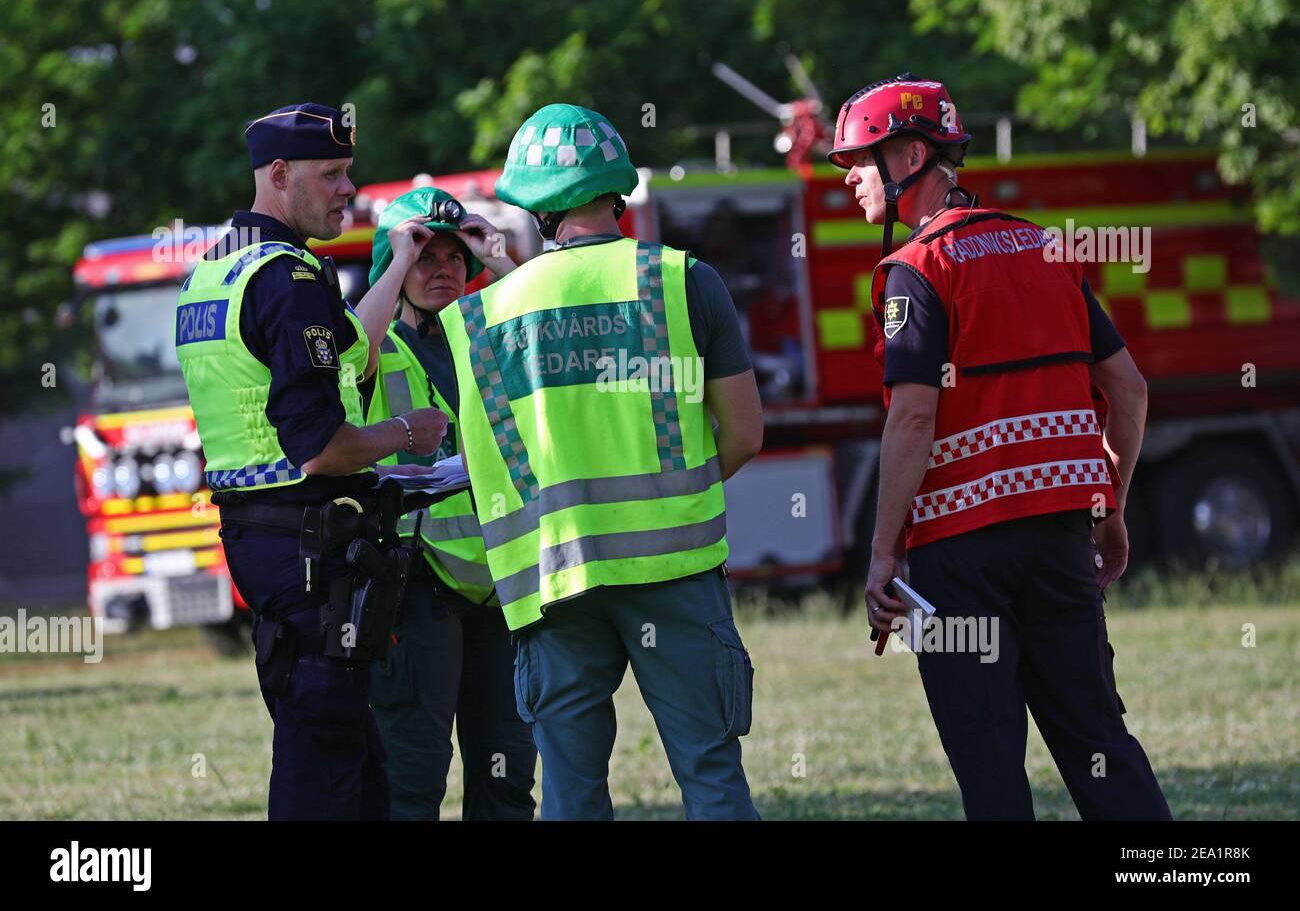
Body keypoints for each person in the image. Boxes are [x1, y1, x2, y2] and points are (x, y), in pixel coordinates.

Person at [829, 73, 1172, 820]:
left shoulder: (916, 271)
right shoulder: (1048, 249)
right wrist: (1109, 507)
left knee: (991, 772)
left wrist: (883, 553)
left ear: (911, 156)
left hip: (960, 559)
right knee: (1099, 746)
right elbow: (1132, 390)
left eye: (859, 161)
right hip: (1057, 542)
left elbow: (913, 421)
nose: (850, 179)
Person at [439, 104, 765, 820]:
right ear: (616, 191)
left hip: (555, 579)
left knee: (571, 788)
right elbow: (743, 433)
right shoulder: (682, 280)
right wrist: (675, 499)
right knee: (710, 770)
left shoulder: (480, 317)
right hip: (675, 570)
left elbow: (477, 457)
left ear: (533, 205)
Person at [174, 103, 447, 819]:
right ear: (279, 174)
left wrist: (401, 260)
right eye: (331, 175)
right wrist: (407, 433)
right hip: (311, 551)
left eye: (349, 173)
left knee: (353, 759)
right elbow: (323, 447)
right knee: (322, 764)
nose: (346, 189)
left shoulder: (215, 274)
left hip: (263, 544)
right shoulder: (289, 281)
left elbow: (351, 350)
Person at [355, 186, 536, 819]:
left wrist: (499, 254)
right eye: (425, 257)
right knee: (413, 779)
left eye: (456, 258)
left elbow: (548, 327)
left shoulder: (485, 336)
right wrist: (396, 255)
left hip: (501, 588)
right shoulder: (378, 342)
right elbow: (352, 350)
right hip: (417, 586)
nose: (444, 270)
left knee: (508, 774)